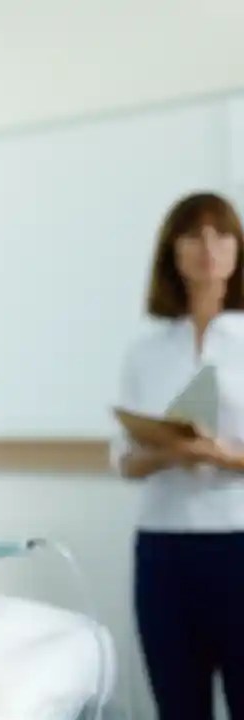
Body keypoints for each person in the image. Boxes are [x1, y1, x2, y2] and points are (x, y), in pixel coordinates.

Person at [112, 192, 244, 720]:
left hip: (237, 540)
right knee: (177, 705)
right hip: (163, 549)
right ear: (172, 251)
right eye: (192, 235)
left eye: (221, 234)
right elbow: (123, 459)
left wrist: (222, 456)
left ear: (238, 249)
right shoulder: (146, 350)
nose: (208, 247)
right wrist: (167, 453)